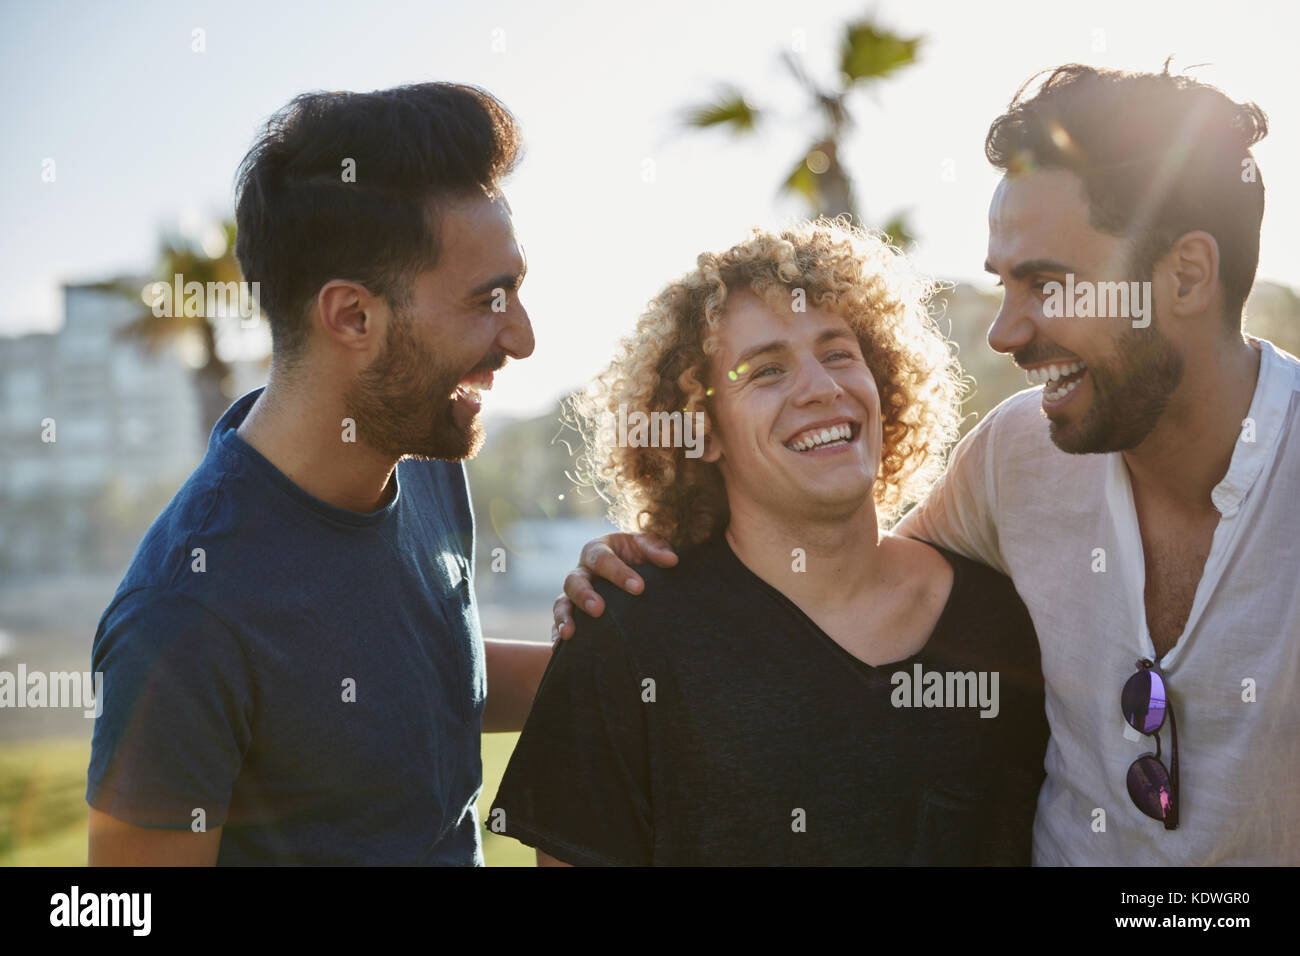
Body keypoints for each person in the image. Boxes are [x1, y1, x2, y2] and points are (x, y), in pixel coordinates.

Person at [556, 64, 1300, 865]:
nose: (1005, 332)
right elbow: (833, 589)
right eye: (1004, 283)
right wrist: (638, 582)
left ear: (1185, 276)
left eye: (1045, 283)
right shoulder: (1018, 454)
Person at [86, 83, 552, 865]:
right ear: (352, 317)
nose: (523, 338)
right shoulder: (183, 616)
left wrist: (649, 657)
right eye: (489, 300)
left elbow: (429, 685)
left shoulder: (424, 457)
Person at [493, 221, 1048, 865]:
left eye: (839, 352)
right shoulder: (623, 635)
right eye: (766, 370)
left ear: (884, 381)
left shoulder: (1006, 621)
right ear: (704, 429)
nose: (820, 387)